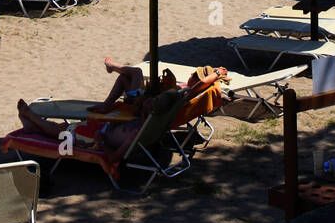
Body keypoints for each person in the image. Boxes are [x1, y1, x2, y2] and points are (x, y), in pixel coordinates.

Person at [16, 61, 226, 164]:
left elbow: (115, 158)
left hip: (94, 138)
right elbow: (195, 87)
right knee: (63, 128)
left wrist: (102, 140)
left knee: (60, 130)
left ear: (148, 108)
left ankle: (31, 119)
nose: (192, 75)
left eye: (195, 75)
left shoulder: (139, 129)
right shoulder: (155, 118)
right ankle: (31, 124)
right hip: (105, 129)